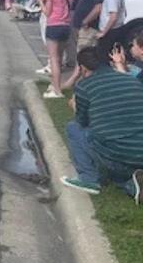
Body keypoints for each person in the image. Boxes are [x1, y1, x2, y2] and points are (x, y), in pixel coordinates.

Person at [61, 46, 143, 204]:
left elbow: (82, 123)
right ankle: (132, 181)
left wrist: (75, 107)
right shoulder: (132, 80)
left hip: (117, 154)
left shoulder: (84, 86)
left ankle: (89, 179)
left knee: (73, 128)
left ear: (83, 69)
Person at [42, 0, 75, 99]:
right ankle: (55, 84)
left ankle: (56, 90)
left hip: (54, 25)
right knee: (59, 58)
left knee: (54, 59)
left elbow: (47, 12)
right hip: (66, 26)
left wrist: (41, 1)